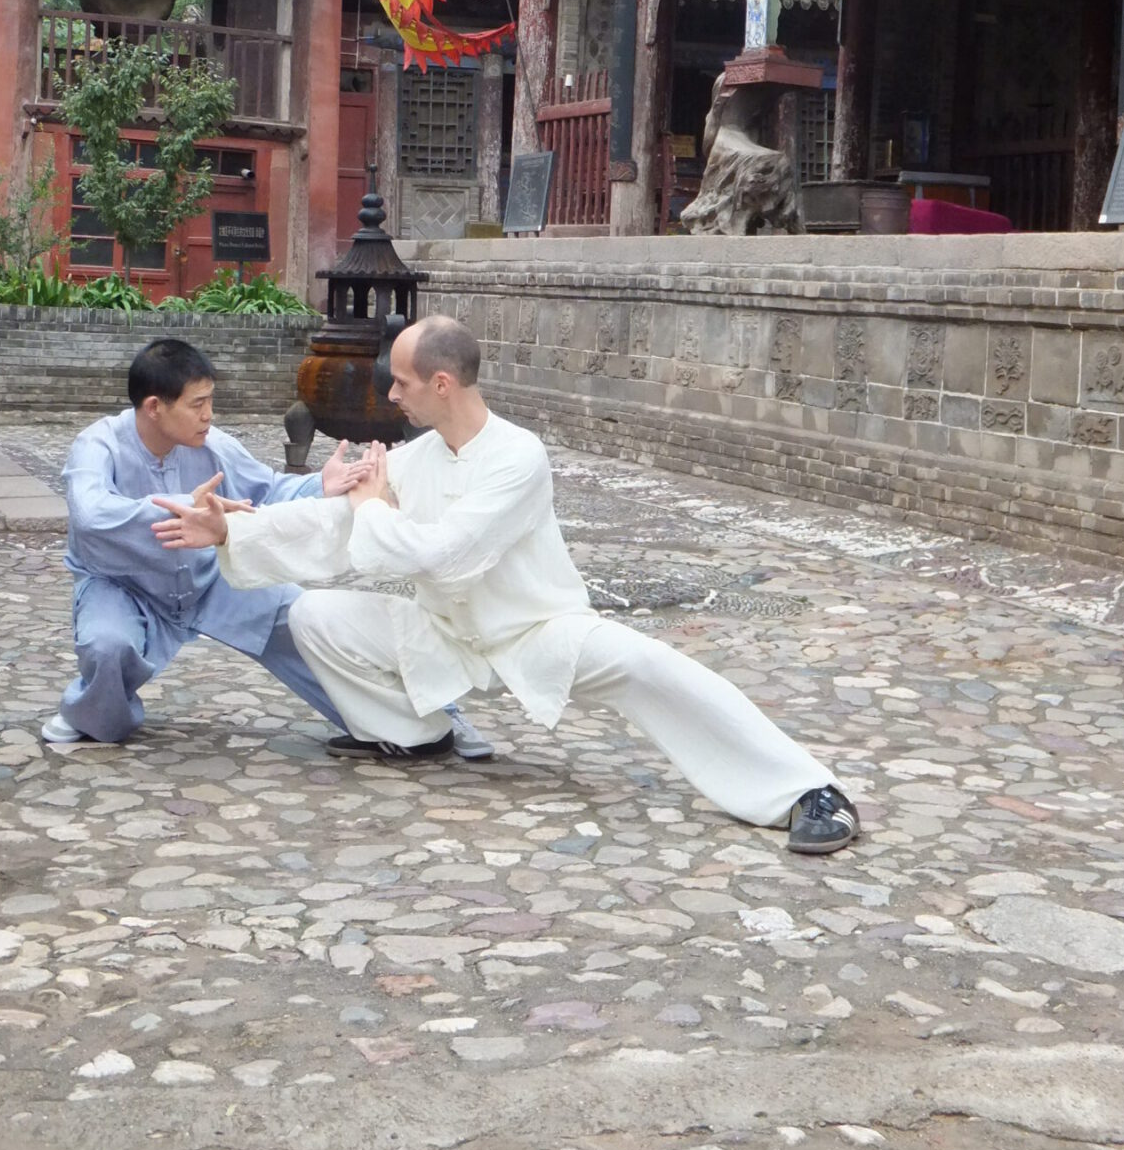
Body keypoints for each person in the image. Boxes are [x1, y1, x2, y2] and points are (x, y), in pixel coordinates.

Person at [151, 318, 860, 854]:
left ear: (441, 384)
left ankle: (806, 790)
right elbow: (333, 525)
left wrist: (371, 510)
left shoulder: (520, 458)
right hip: (445, 633)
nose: (389, 394)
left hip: (535, 629)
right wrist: (232, 533)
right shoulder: (416, 457)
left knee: (652, 667)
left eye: (398, 381)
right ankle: (414, 734)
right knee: (315, 616)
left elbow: (449, 557)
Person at [42, 336, 492, 761]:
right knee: (107, 646)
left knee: (307, 623)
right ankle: (90, 716)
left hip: (210, 578)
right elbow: (91, 514)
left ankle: (436, 717)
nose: (208, 416)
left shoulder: (213, 445)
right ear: (155, 408)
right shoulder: (97, 445)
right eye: (198, 404)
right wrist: (187, 506)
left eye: (210, 402)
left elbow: (269, 490)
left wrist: (322, 483)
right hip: (124, 586)